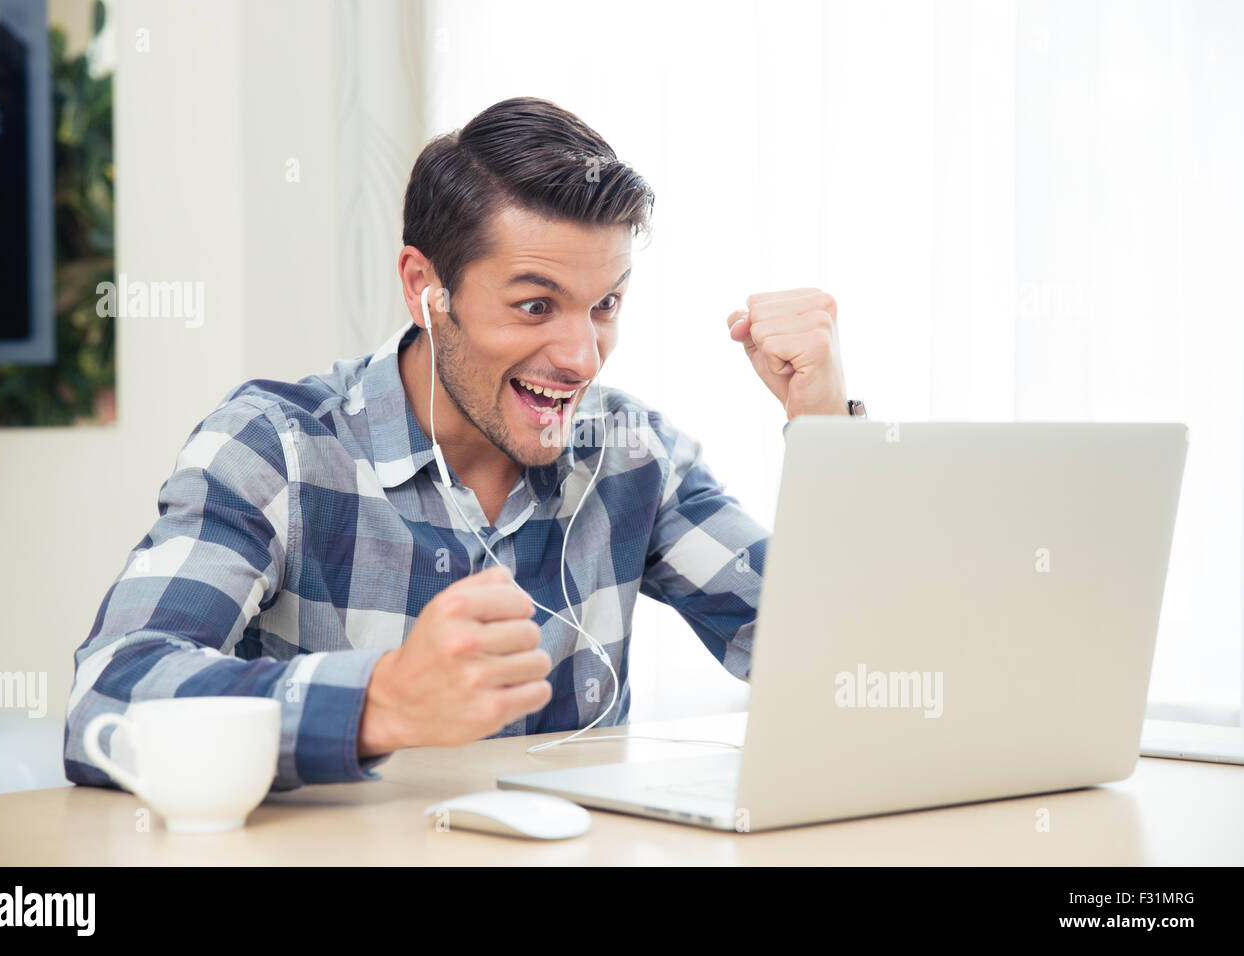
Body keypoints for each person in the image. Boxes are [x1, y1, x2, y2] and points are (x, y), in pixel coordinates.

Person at [63, 96, 856, 792]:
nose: (583, 357)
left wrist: (822, 426)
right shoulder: (278, 449)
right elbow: (109, 695)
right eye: (537, 305)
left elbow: (837, 663)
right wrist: (381, 701)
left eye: (605, 304)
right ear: (424, 287)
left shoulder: (630, 452)